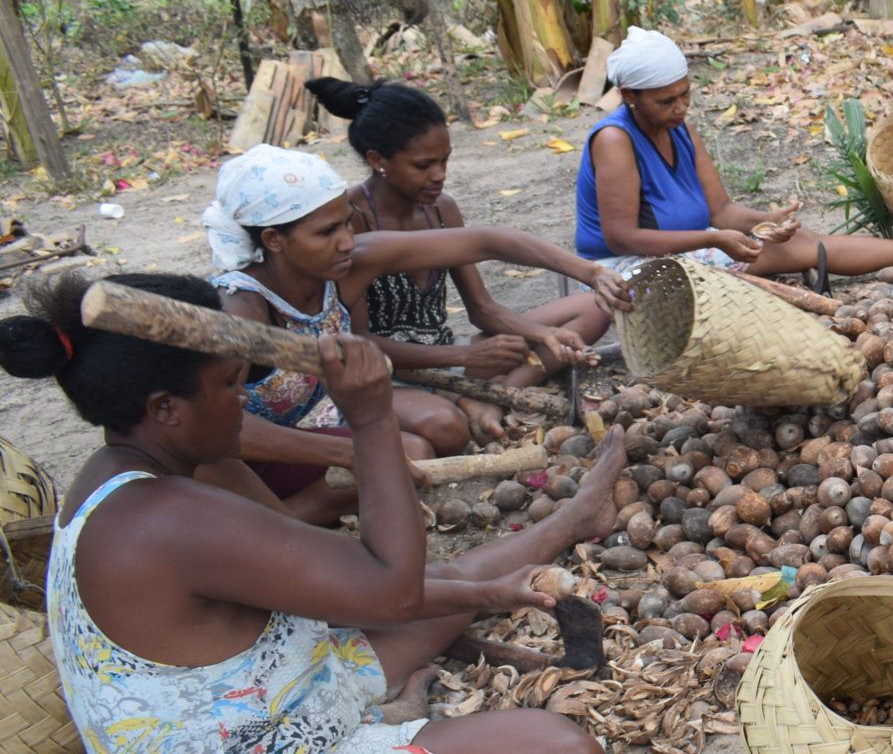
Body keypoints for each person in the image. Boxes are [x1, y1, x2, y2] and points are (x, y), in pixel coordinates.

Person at [0, 270, 616, 754]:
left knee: (451, 587)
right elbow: (393, 588)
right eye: (230, 387)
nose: (243, 402)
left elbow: (363, 579)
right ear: (166, 410)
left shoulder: (117, 475)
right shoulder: (164, 521)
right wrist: (371, 418)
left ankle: (571, 520)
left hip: (277, 710)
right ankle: (407, 699)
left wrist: (482, 595)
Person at [205, 143, 629, 524]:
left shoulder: (341, 272)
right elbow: (216, 427)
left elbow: (483, 241)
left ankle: (302, 510)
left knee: (415, 456)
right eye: (326, 232)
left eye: (346, 225)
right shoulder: (242, 309)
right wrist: (343, 453)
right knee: (382, 473)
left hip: (292, 441)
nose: (347, 242)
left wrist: (591, 272)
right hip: (226, 456)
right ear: (274, 239)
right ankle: (278, 517)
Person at [304, 78, 612, 444]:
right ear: (377, 160)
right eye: (423, 165)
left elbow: (481, 308)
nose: (439, 175)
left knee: (591, 309)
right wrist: (467, 352)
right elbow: (361, 342)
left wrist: (543, 333)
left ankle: (486, 399)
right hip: (388, 369)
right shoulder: (350, 222)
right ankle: (473, 397)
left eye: (444, 160)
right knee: (443, 429)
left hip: (450, 356)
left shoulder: (441, 209)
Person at [575, 27, 893, 279]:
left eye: (685, 95)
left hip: (689, 244)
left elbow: (722, 212)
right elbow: (622, 237)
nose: (680, 107)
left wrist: (767, 221)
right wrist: (720, 240)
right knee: (793, 249)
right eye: (666, 101)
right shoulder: (615, 140)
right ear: (629, 96)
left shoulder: (680, 128)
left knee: (795, 236)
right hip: (624, 268)